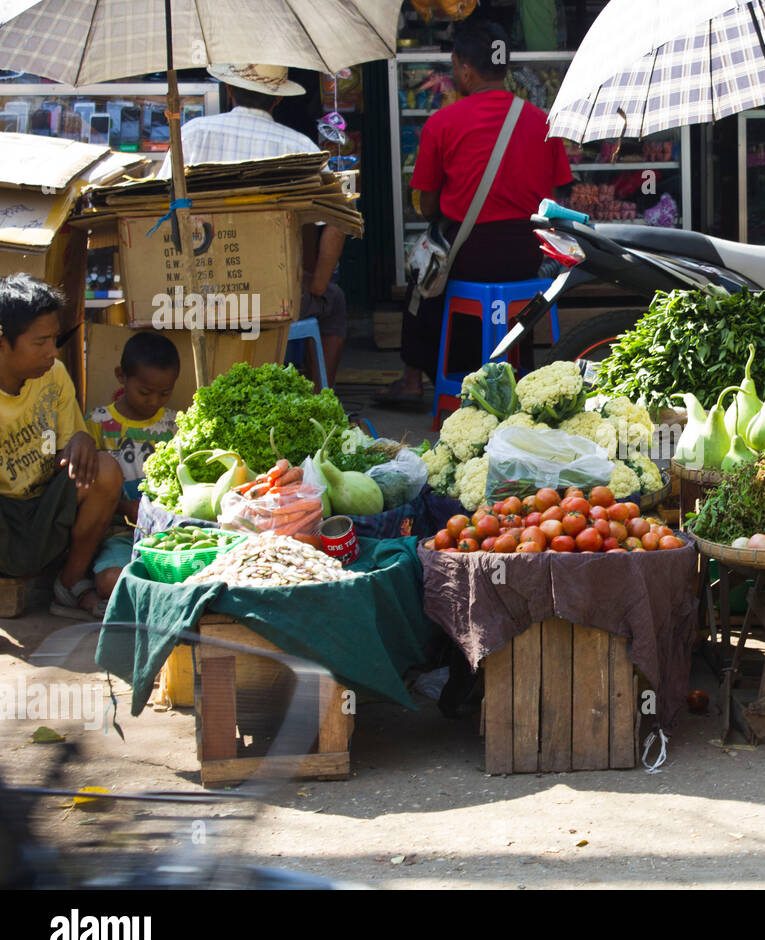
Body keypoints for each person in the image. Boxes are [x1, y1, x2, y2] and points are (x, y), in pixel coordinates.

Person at [378, 19, 573, 408]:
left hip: (468, 258)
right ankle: (514, 370)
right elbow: (560, 194)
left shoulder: (442, 123)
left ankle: (414, 379)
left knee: (423, 274)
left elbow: (429, 204)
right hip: (527, 256)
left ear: (465, 69)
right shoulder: (542, 121)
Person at [158, 64, 349, 388]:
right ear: (277, 101)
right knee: (335, 301)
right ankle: (321, 399)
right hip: (274, 299)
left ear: (230, 91)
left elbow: (159, 207)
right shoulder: (300, 146)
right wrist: (315, 286)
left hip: (197, 292)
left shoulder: (192, 134)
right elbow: (338, 221)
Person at [0, 274, 123, 619]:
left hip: (43, 507)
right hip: (5, 521)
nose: (52, 352)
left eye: (54, 339)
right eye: (40, 342)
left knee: (105, 470)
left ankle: (68, 585)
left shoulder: (52, 374)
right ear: (2, 342)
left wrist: (81, 439)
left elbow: (71, 443)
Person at [84, 332, 181, 598]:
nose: (153, 401)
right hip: (115, 533)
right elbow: (83, 487)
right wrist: (120, 506)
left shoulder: (175, 426)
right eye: (145, 392)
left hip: (163, 535)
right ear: (121, 376)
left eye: (164, 393)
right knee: (110, 583)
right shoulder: (97, 422)